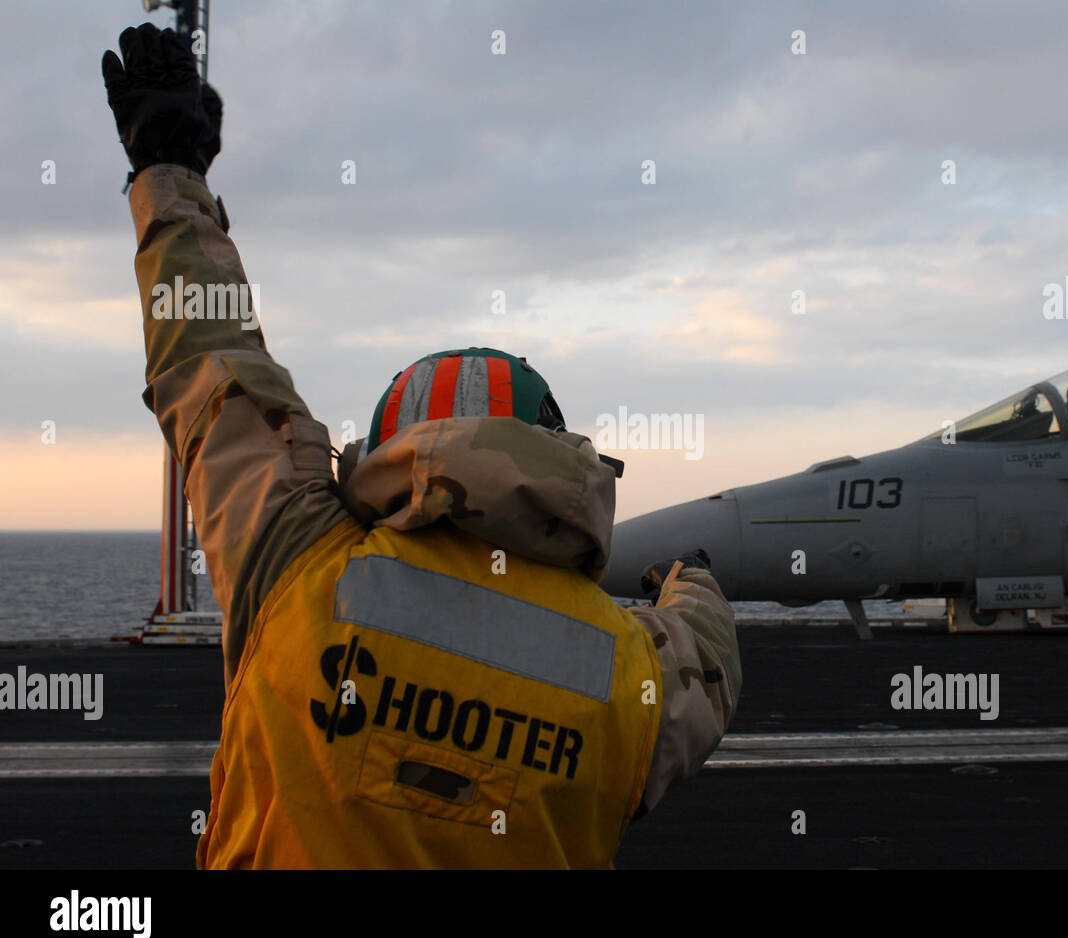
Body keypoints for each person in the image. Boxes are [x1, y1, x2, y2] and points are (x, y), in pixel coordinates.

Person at [102, 23, 740, 868]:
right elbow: (708, 675)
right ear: (554, 456)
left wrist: (166, 169)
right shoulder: (632, 676)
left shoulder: (297, 556)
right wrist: (692, 586)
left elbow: (209, 357)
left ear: (393, 452)